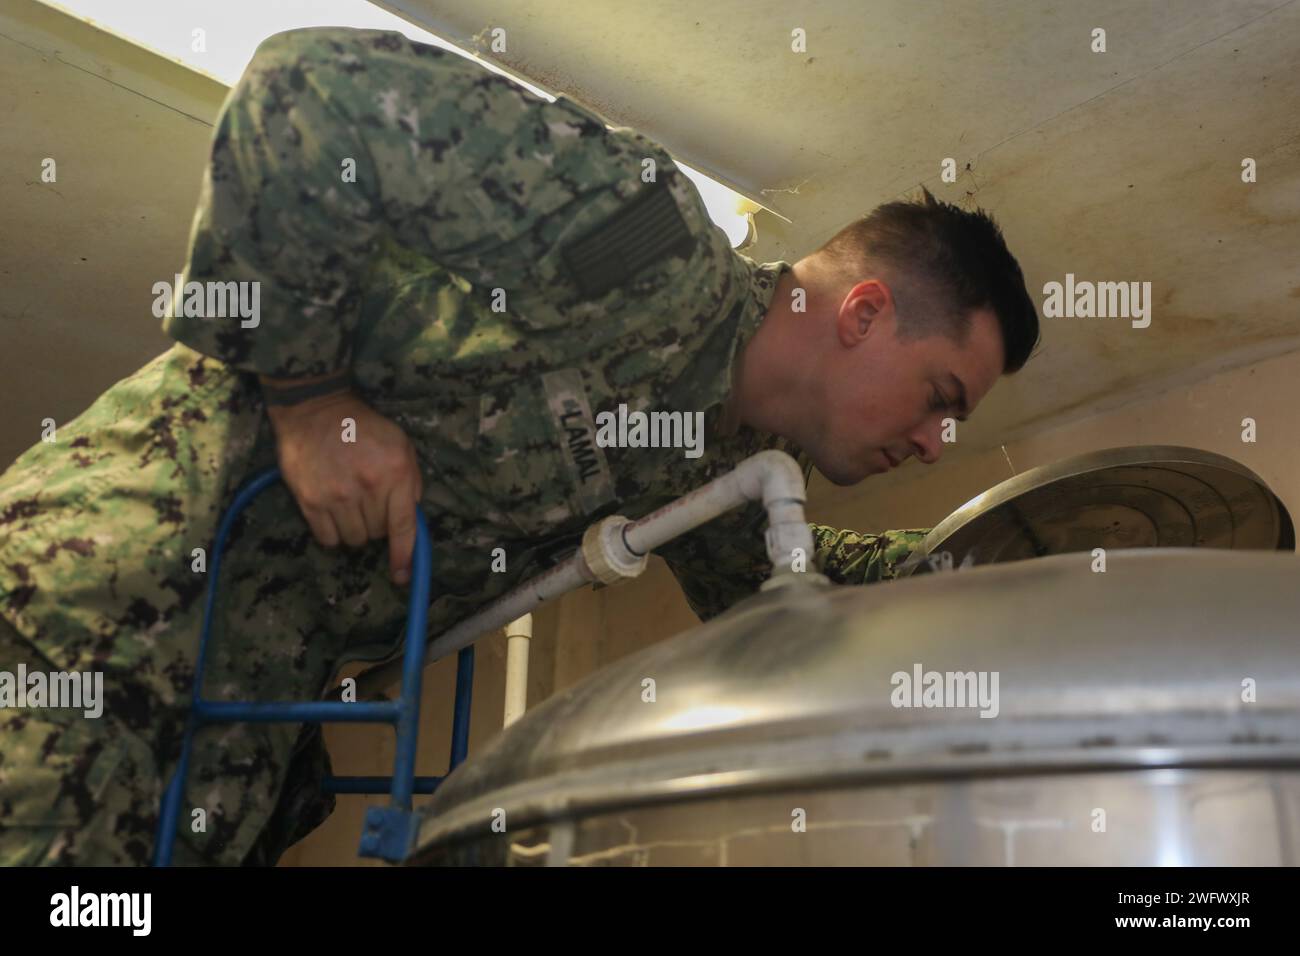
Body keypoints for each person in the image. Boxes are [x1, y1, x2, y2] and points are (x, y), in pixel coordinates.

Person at [0, 26, 1038, 866]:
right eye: (939, 397)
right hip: (100, 610)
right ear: (860, 313)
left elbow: (780, 591)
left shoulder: (718, 462)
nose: (935, 442)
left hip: (243, 710)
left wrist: (1000, 556)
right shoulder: (646, 242)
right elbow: (307, 91)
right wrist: (313, 399)